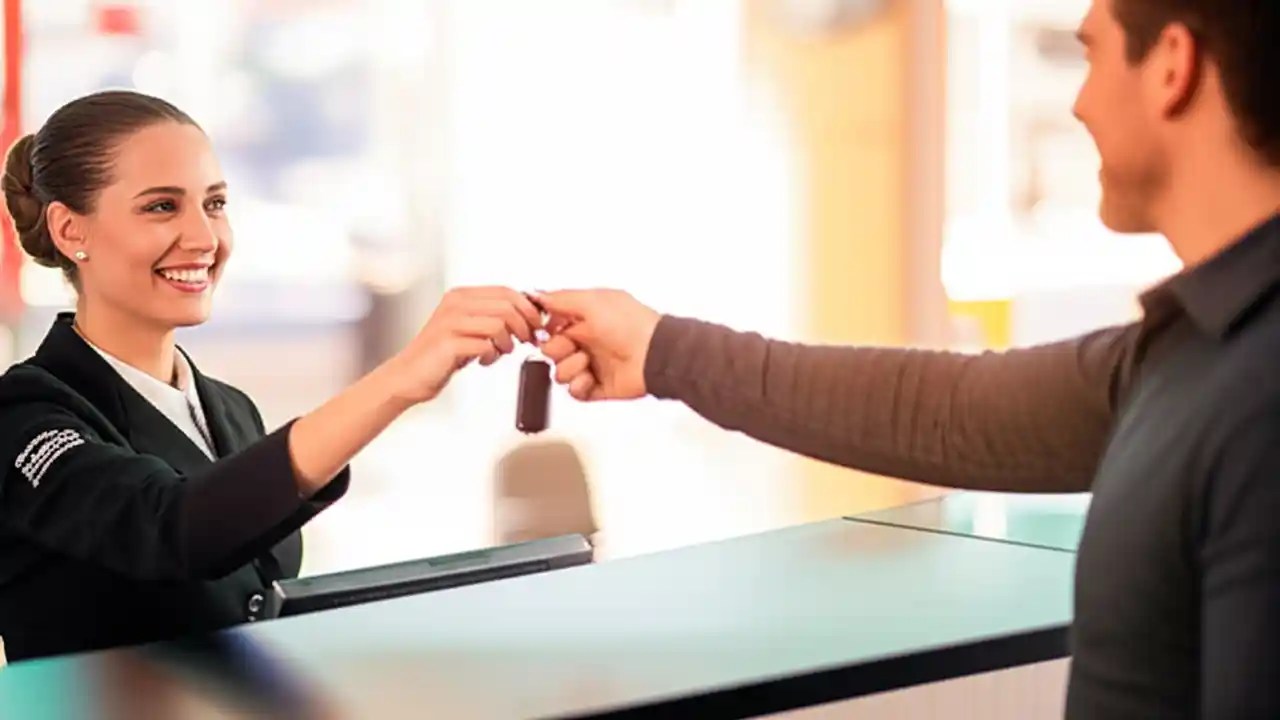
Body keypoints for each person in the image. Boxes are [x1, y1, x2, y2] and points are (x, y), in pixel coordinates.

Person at [535, 0, 1280, 717]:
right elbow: (952, 411)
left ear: (1172, 67)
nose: (1080, 103)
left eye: (1093, 53)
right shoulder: (1190, 348)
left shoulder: (1256, 393)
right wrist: (663, 350)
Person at [0, 90, 543, 661]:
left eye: (213, 204)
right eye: (162, 207)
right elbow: (176, 529)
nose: (205, 239)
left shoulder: (231, 410)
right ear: (69, 230)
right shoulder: (25, 417)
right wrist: (402, 379)